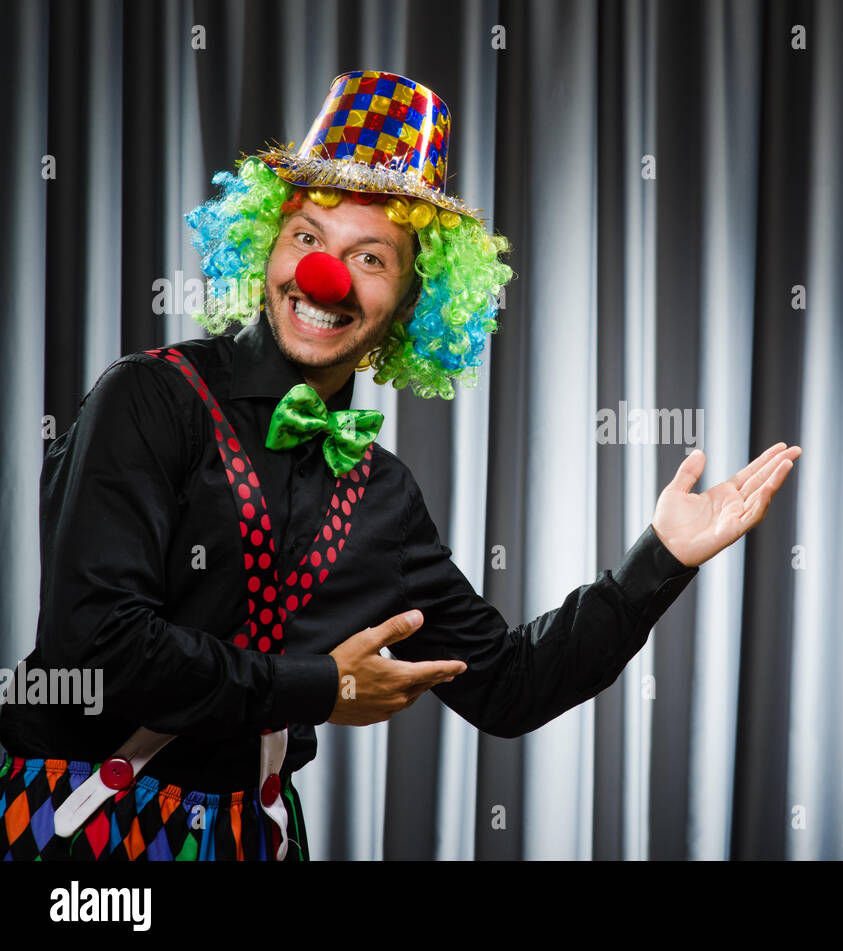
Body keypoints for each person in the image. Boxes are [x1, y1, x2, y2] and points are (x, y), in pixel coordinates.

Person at [0, 69, 800, 861]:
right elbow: (95, 649)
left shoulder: (380, 492)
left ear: (413, 303)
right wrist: (320, 685)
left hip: (254, 838)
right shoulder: (149, 399)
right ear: (267, 247)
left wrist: (659, 557)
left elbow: (509, 685)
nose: (324, 276)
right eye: (307, 237)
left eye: (371, 257)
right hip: (76, 824)